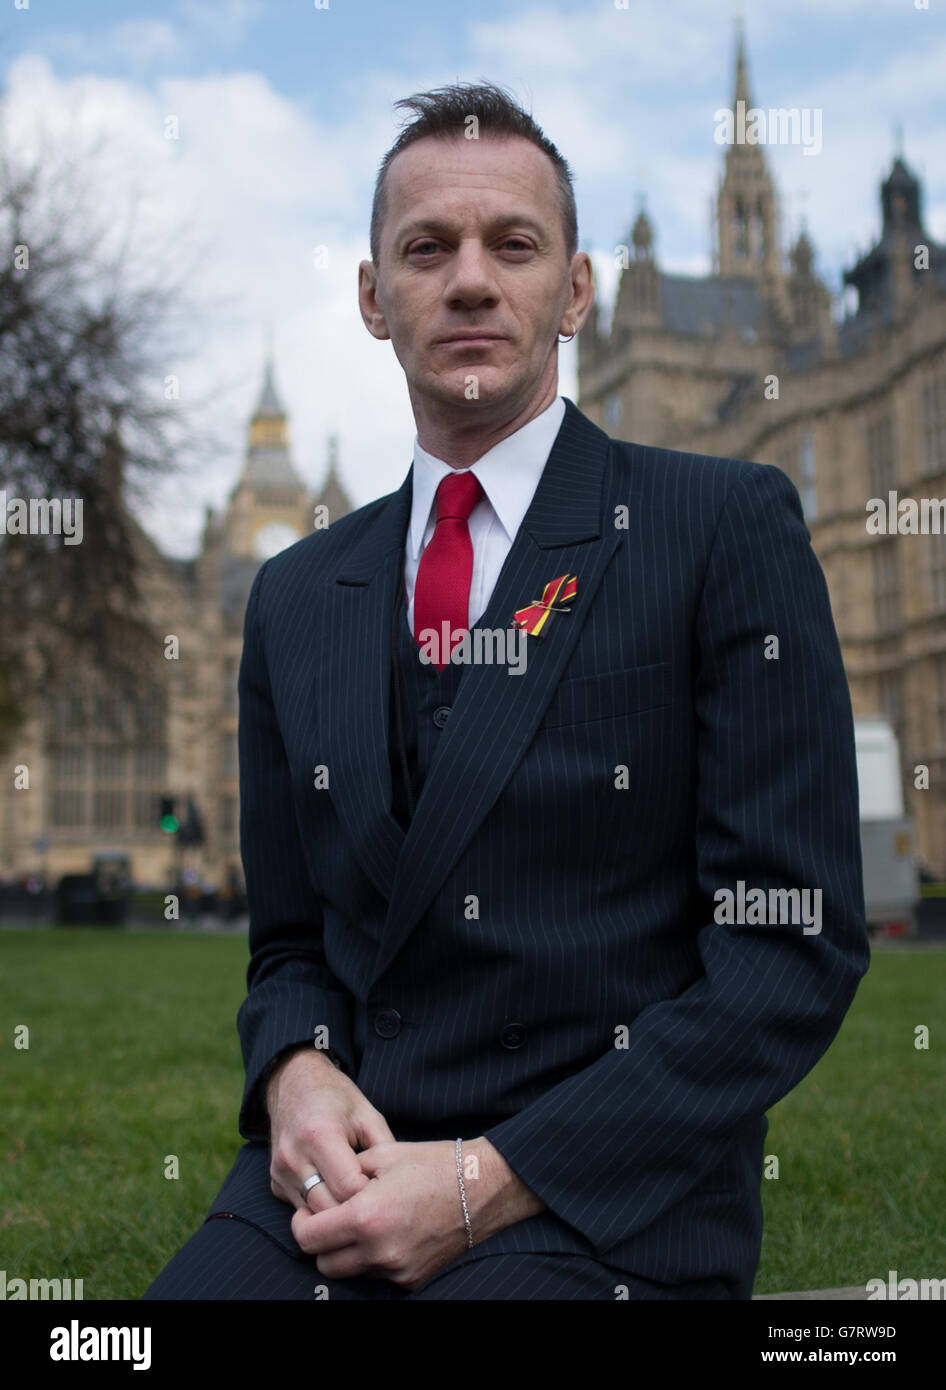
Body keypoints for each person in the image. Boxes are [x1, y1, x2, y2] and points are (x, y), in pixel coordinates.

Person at [143, 81, 869, 1301]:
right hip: (346, 1168)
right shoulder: (298, 591)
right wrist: (296, 1076)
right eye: (426, 248)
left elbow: (785, 945)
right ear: (374, 298)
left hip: (603, 1194)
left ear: (575, 291)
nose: (469, 280)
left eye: (512, 245)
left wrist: (485, 1179)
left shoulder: (717, 526)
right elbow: (290, 948)